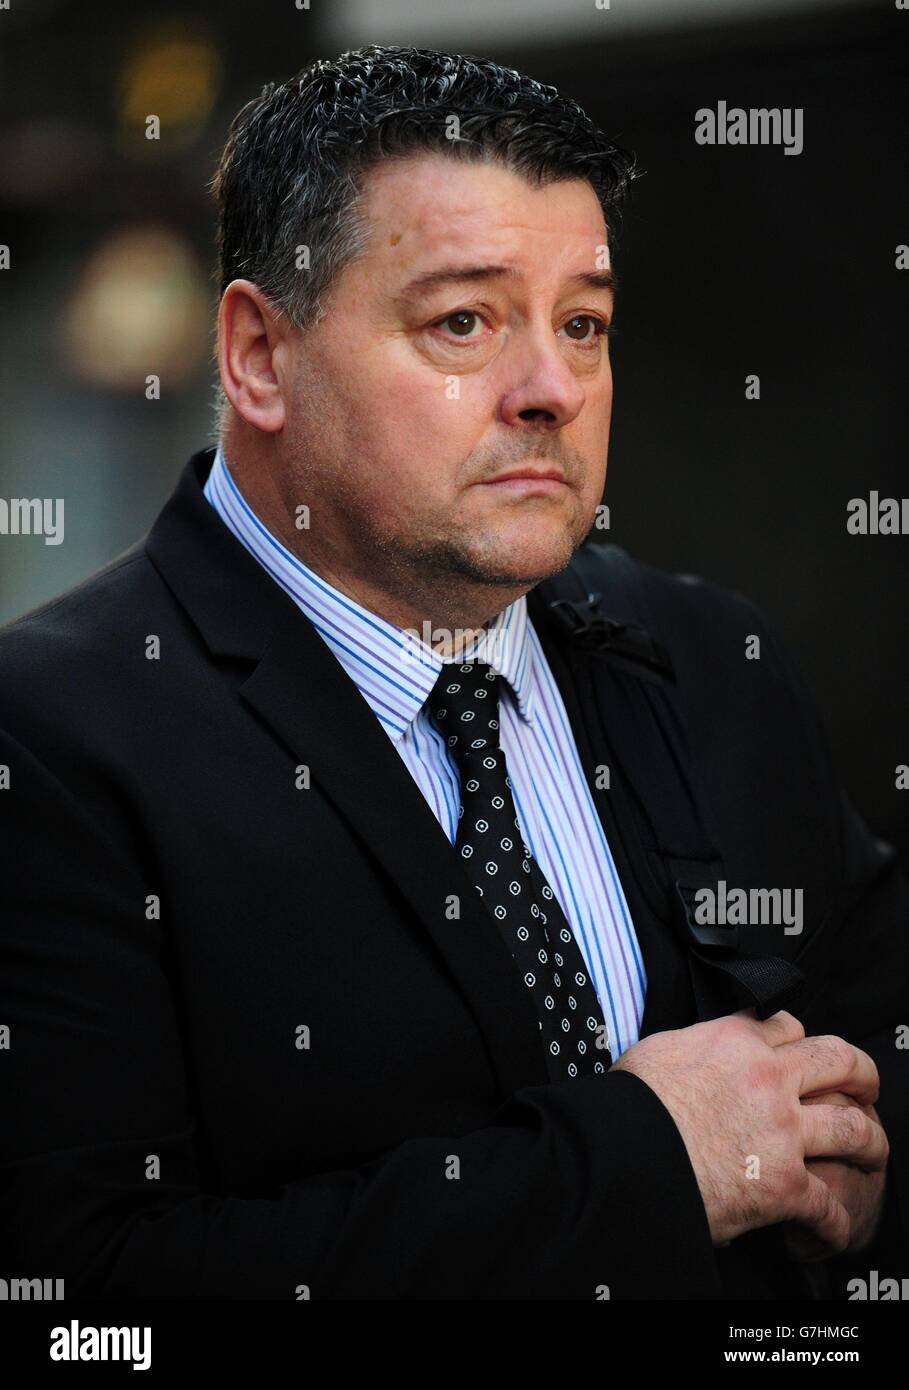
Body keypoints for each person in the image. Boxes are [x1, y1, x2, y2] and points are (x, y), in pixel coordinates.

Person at [1, 44, 907, 1301]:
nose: (552, 390)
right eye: (464, 321)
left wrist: (865, 1155)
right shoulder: (50, 738)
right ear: (260, 356)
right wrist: (645, 1163)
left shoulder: (711, 657)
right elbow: (84, 1310)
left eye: (583, 323)